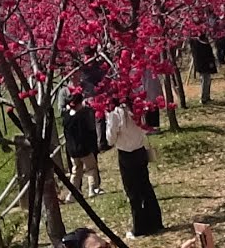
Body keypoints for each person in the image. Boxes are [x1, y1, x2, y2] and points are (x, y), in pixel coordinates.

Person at [105, 97, 163, 238]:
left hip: (126, 155)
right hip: (140, 151)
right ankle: (155, 222)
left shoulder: (116, 114)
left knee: (133, 192)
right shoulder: (137, 108)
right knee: (146, 187)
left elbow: (110, 139)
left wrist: (108, 121)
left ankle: (139, 227)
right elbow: (144, 129)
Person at [61, 94, 103, 202]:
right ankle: (92, 189)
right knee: (91, 169)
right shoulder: (81, 117)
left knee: (76, 172)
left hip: (72, 150)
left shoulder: (66, 117)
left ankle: (71, 194)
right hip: (84, 149)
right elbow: (87, 133)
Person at [189, 35, 218, 104]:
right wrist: (210, 62)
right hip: (203, 64)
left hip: (205, 64)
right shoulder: (196, 43)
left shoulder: (201, 42)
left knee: (208, 80)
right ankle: (203, 98)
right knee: (204, 80)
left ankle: (207, 96)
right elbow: (204, 54)